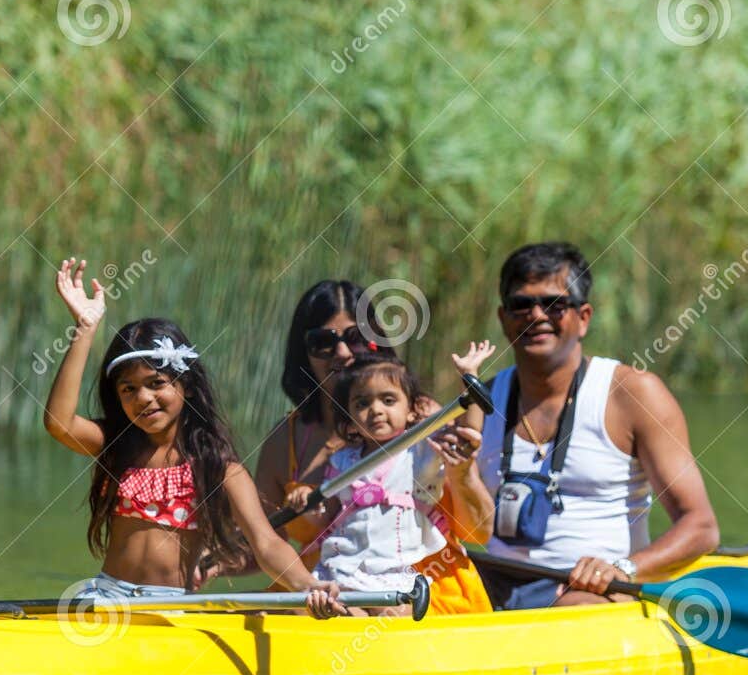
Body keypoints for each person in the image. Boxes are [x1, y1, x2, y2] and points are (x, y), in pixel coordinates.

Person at [42, 258, 346, 616]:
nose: (143, 398)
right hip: (106, 596)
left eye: (157, 383)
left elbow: (265, 543)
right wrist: (85, 328)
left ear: (185, 385)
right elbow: (58, 423)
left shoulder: (217, 466)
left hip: (170, 607)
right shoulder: (116, 447)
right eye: (129, 389)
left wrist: (308, 586)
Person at [454, 242, 720, 608]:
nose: (535, 315)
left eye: (554, 304)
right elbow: (464, 524)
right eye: (521, 305)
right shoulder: (478, 400)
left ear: (584, 317)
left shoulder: (634, 394)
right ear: (503, 318)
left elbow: (701, 528)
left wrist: (623, 569)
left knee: (572, 607)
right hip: (495, 580)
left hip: (592, 593)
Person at [285, 346, 497, 615]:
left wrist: (469, 376)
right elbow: (328, 517)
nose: (375, 410)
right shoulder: (343, 461)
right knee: (335, 613)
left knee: (395, 615)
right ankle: (350, 624)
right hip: (349, 567)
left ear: (411, 410)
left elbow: (467, 432)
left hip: (397, 569)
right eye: (362, 403)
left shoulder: (422, 450)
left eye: (388, 400)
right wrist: (307, 502)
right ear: (349, 419)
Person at [254, 279, 398, 560]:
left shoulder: (416, 418)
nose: (342, 354)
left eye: (355, 338)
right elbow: (261, 543)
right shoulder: (285, 439)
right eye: (323, 342)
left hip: (406, 591)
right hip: (316, 591)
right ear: (303, 354)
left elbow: (470, 523)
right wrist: (213, 562)